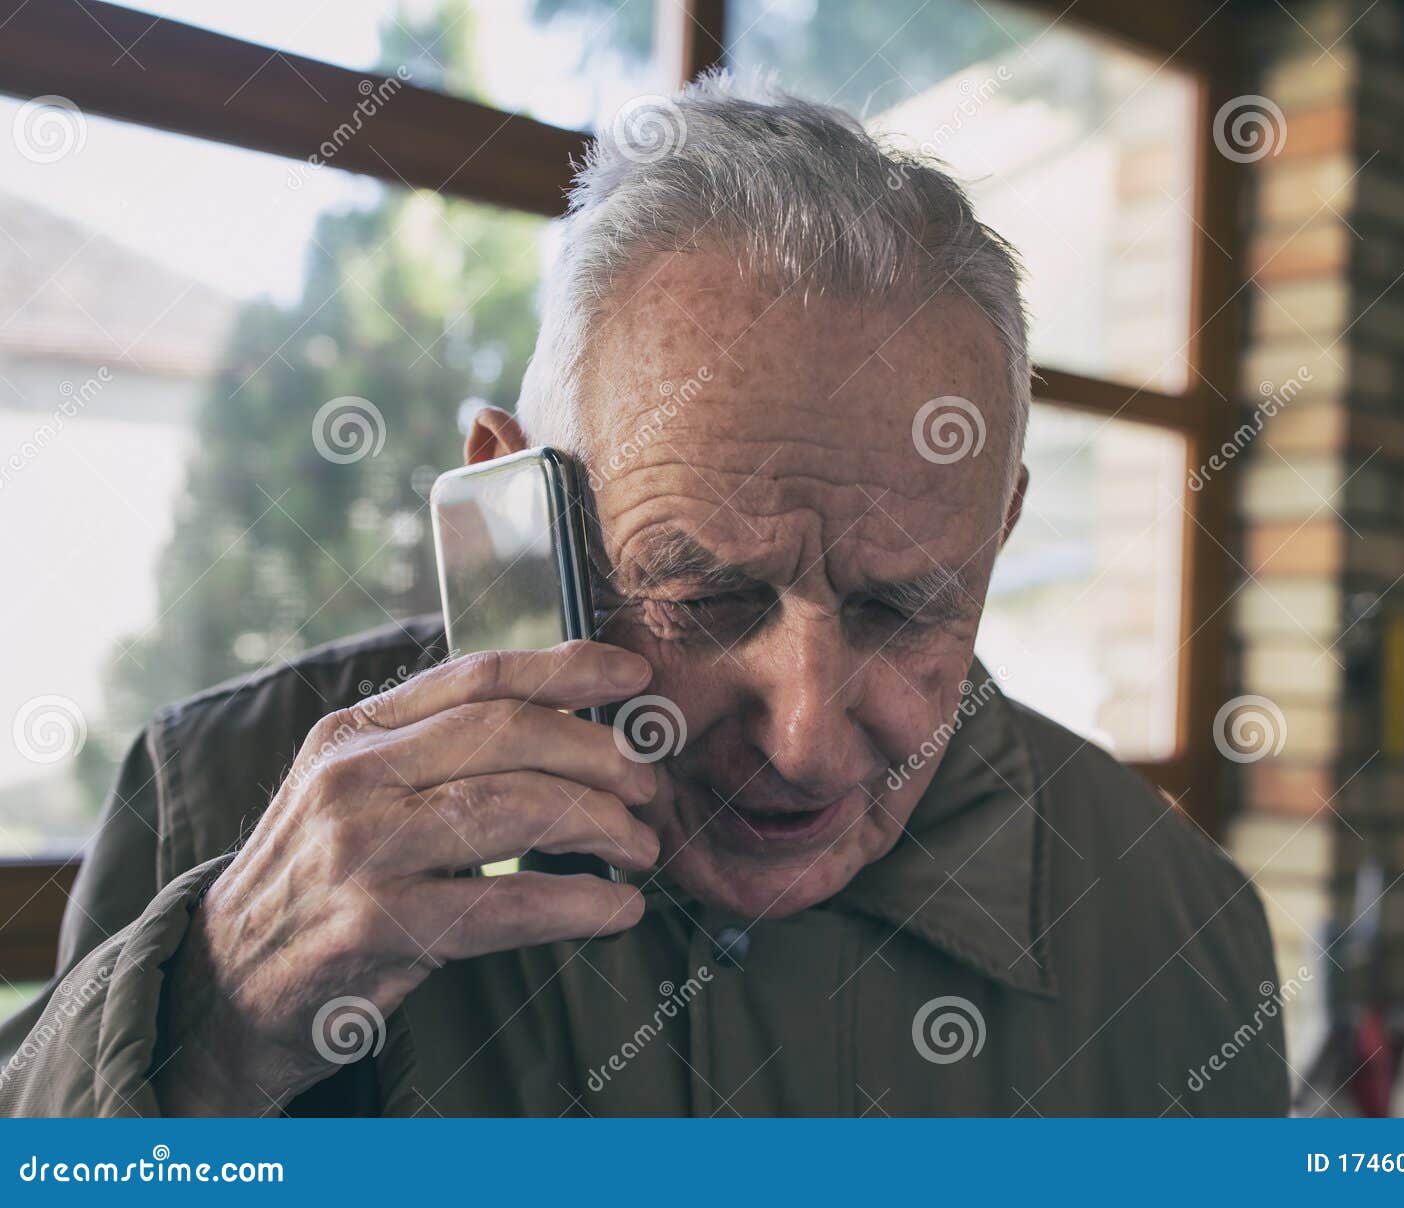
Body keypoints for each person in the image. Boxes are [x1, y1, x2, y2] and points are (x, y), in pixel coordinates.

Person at [0, 73, 1286, 1117]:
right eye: (709, 595)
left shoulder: (1180, 934)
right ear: (514, 500)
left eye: (907, 606)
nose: (804, 739)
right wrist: (207, 1027)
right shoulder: (217, 804)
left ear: (997, 529)